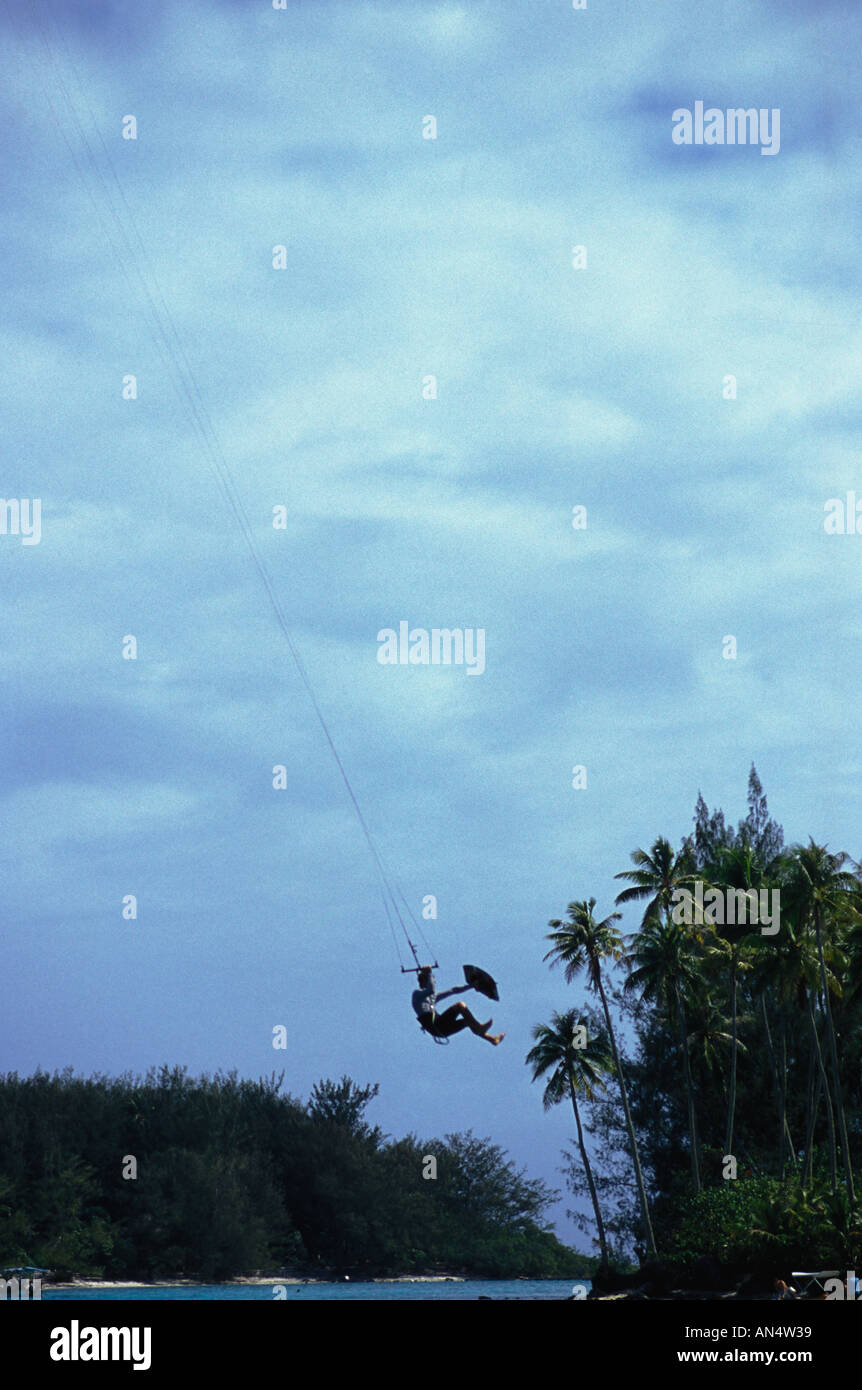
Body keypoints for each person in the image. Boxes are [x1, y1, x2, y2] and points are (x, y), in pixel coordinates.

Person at [412, 965, 504, 1045]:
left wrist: (472, 986)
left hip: (442, 1029)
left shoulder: (431, 998)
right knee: (460, 1005)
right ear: (423, 981)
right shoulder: (416, 994)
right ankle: (480, 1027)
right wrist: (429, 973)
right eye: (431, 980)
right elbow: (431, 989)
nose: (433, 982)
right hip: (437, 1026)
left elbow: (454, 990)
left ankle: (492, 1039)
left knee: (467, 1021)